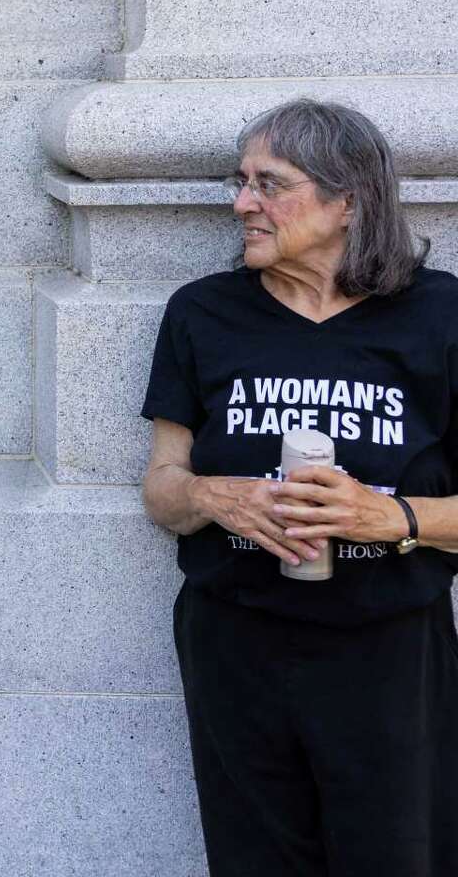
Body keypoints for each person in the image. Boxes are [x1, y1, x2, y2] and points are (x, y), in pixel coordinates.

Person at [140, 98, 458, 877]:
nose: (241, 202)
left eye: (268, 184)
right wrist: (218, 499)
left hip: (386, 652)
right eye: (240, 181)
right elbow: (162, 487)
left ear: (348, 199)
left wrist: (390, 517)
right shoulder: (203, 313)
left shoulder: (440, 315)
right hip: (235, 643)